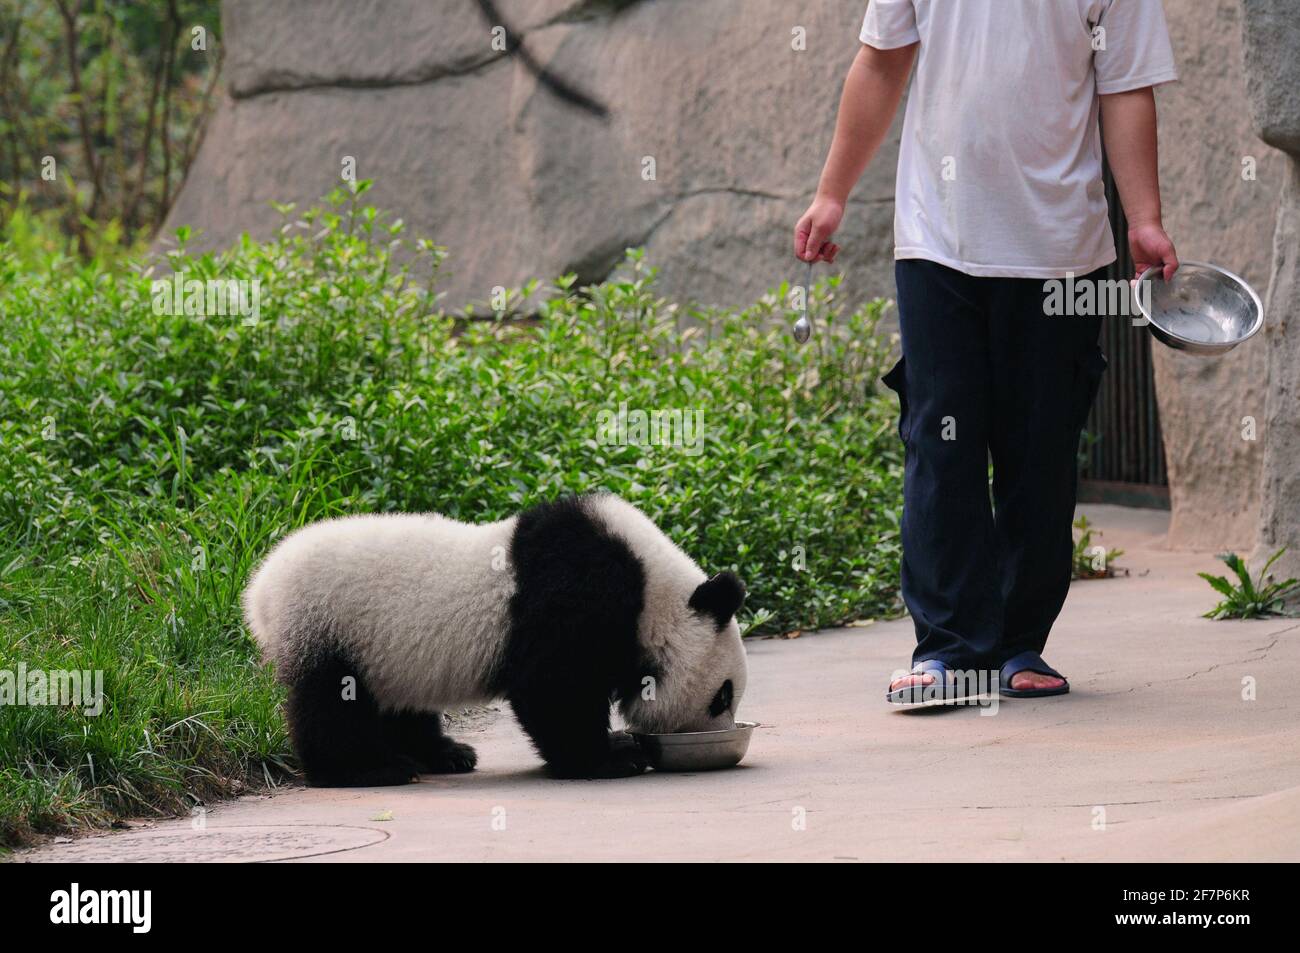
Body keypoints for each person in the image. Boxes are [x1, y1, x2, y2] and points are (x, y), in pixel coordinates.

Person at [795, 1, 1180, 703]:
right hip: (937, 238)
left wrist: (1146, 218)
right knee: (942, 437)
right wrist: (832, 193)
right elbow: (881, 63)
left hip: (1060, 247)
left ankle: (1017, 640)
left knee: (1042, 448)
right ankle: (948, 648)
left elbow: (1125, 85)